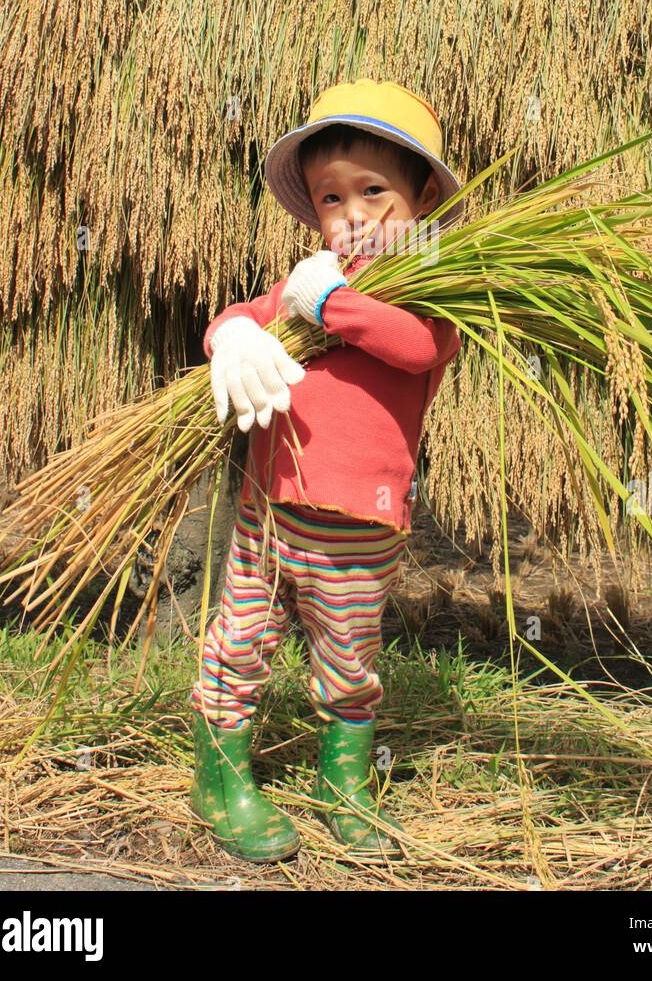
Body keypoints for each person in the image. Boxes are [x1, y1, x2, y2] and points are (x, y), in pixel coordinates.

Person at [188, 78, 464, 861]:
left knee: (347, 660)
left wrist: (327, 302)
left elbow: (412, 347)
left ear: (421, 204)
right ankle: (218, 776)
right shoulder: (307, 283)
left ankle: (343, 783)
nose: (353, 215)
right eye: (331, 197)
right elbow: (242, 314)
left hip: (356, 529)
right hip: (266, 514)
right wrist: (233, 340)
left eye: (374, 191)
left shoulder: (430, 296)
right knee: (237, 642)